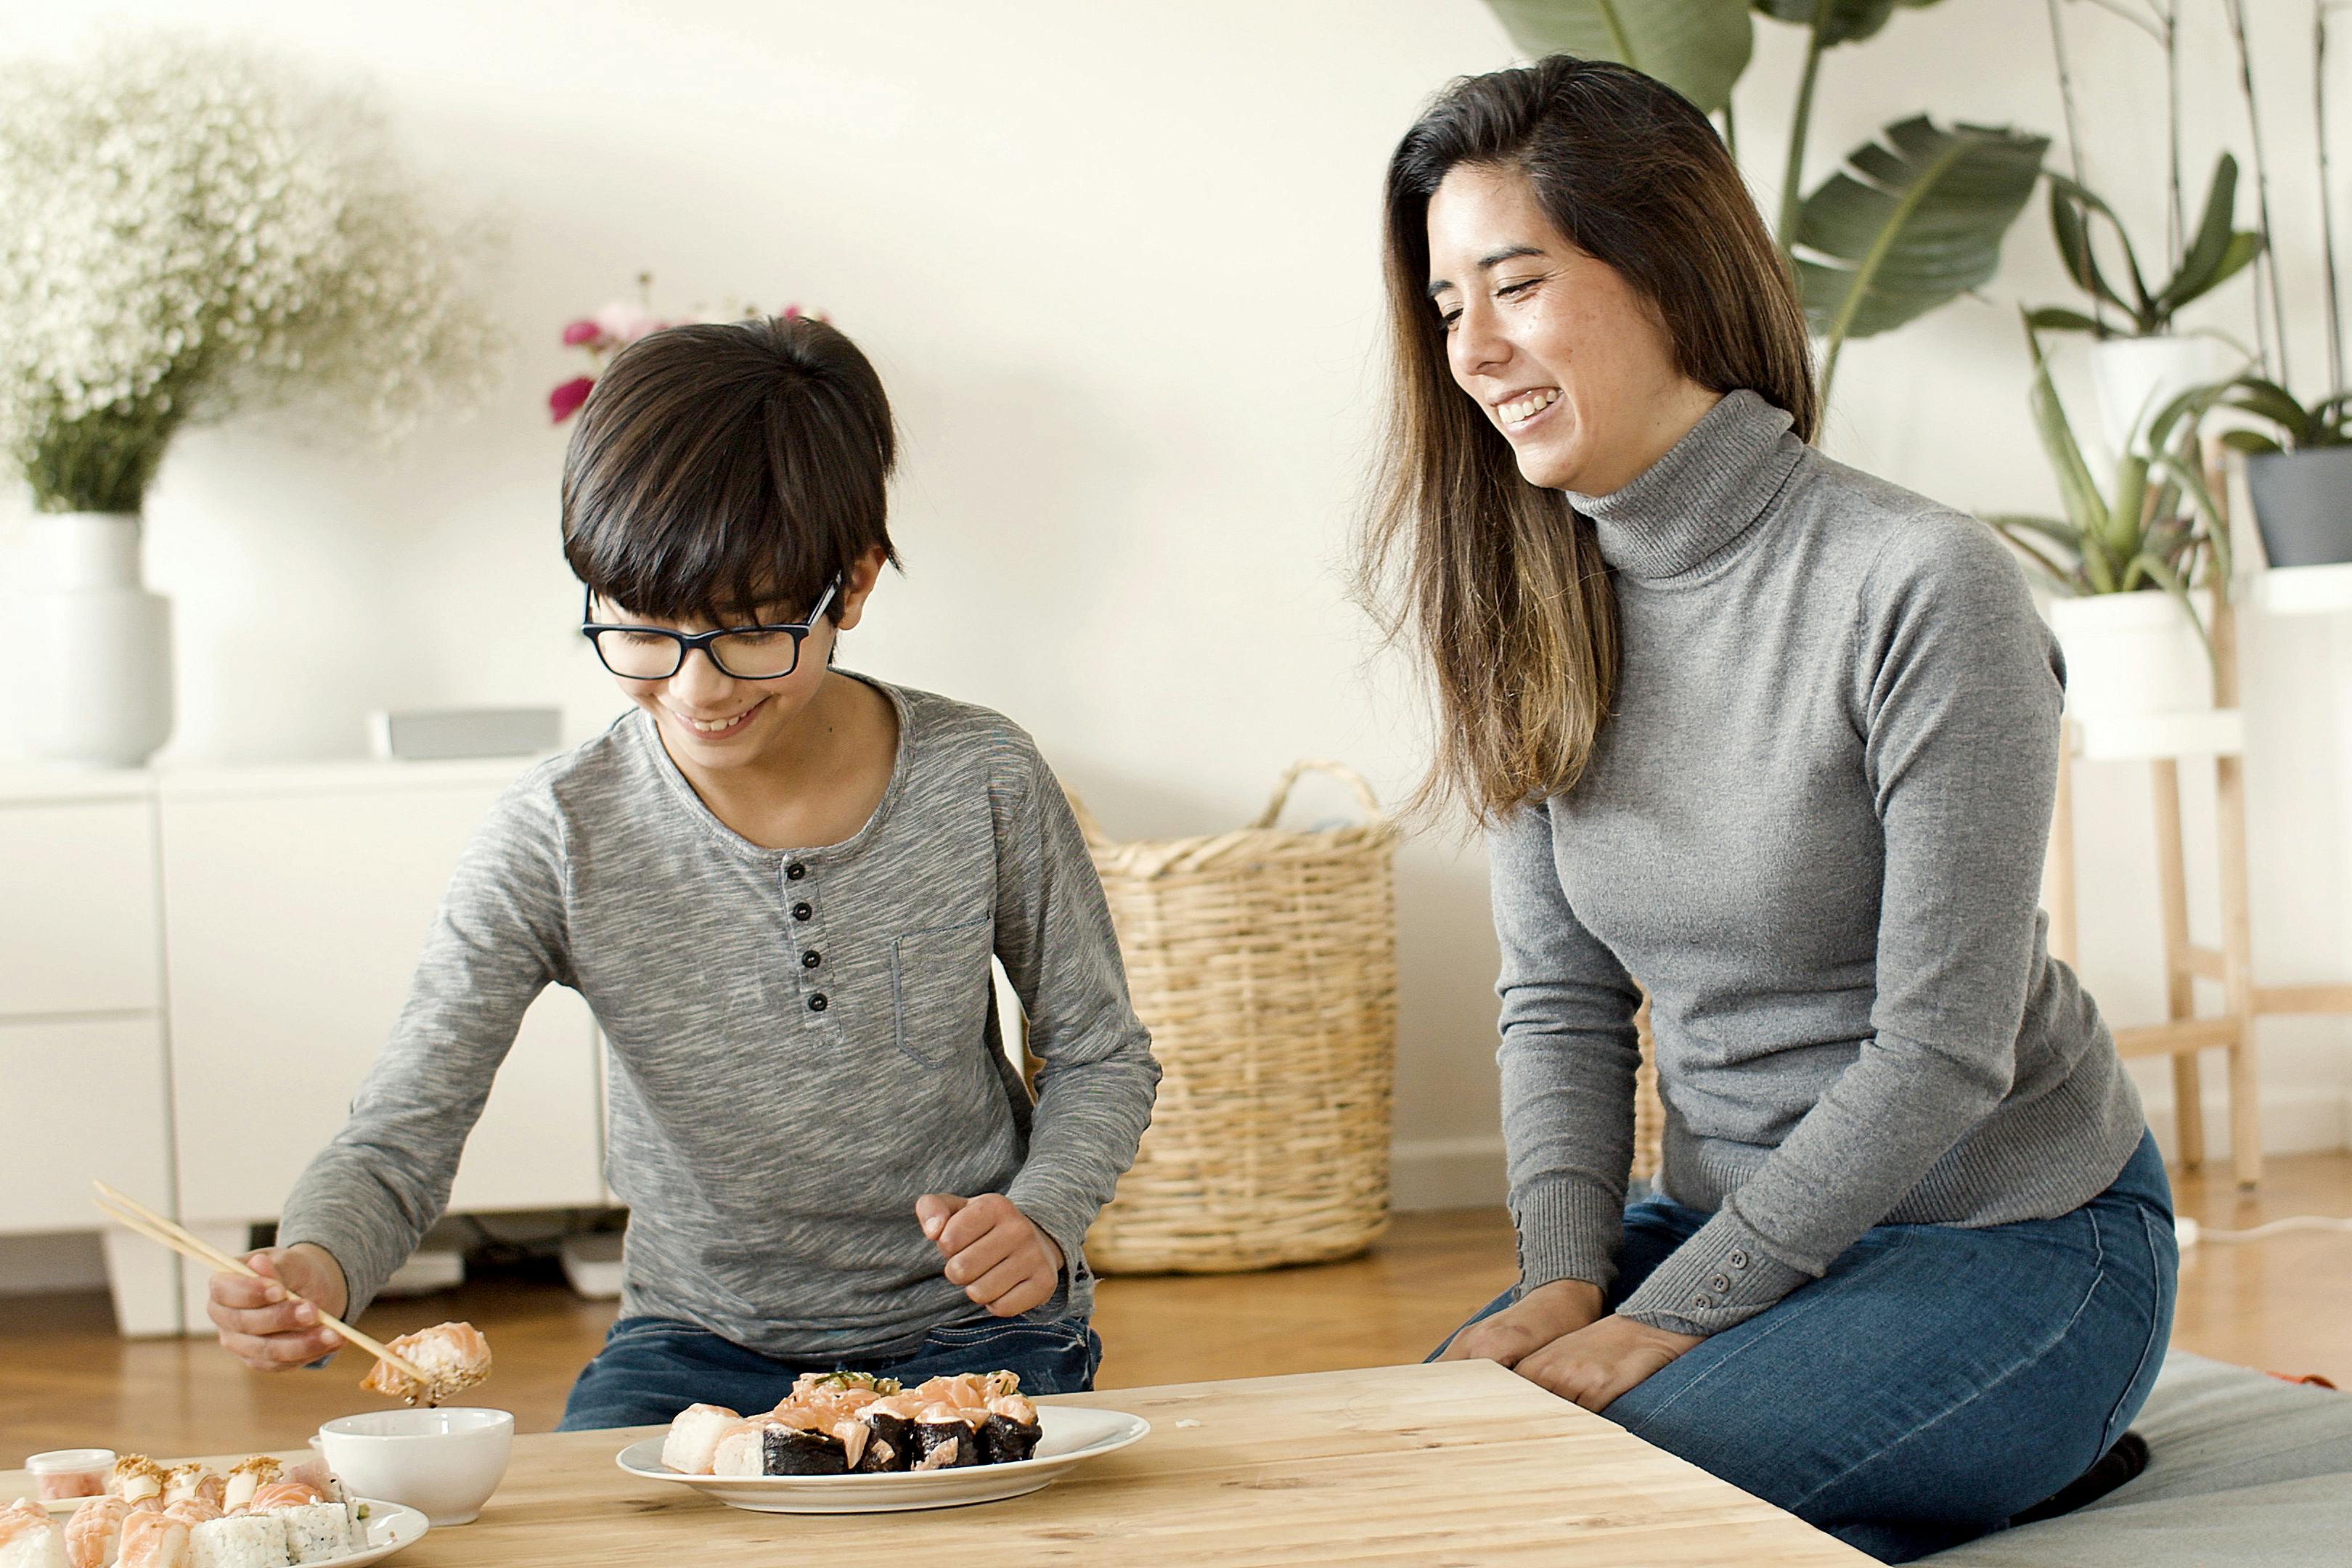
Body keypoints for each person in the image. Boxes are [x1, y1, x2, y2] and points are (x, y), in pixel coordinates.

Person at [1361, 57, 2175, 1563]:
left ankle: (2004, 1426)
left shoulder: (1923, 588)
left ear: (1664, 269)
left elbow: (1941, 1051)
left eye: (1515, 285)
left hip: (2010, 1234)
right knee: (1432, 1479)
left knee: (1603, 1513)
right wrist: (1561, 1280)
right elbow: (1558, 1003)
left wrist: (1667, 1323)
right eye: (1445, 304)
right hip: (1743, 1226)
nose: (1471, 348)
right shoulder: (1529, 607)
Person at [204, 315, 1160, 1429]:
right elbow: (403, 1128)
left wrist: (1040, 1215)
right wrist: (318, 1262)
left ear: (849, 588)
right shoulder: (557, 835)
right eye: (642, 631)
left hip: (977, 1329)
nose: (698, 691)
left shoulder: (980, 776)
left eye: (751, 633)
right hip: (693, 1347)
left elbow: (1100, 1053)